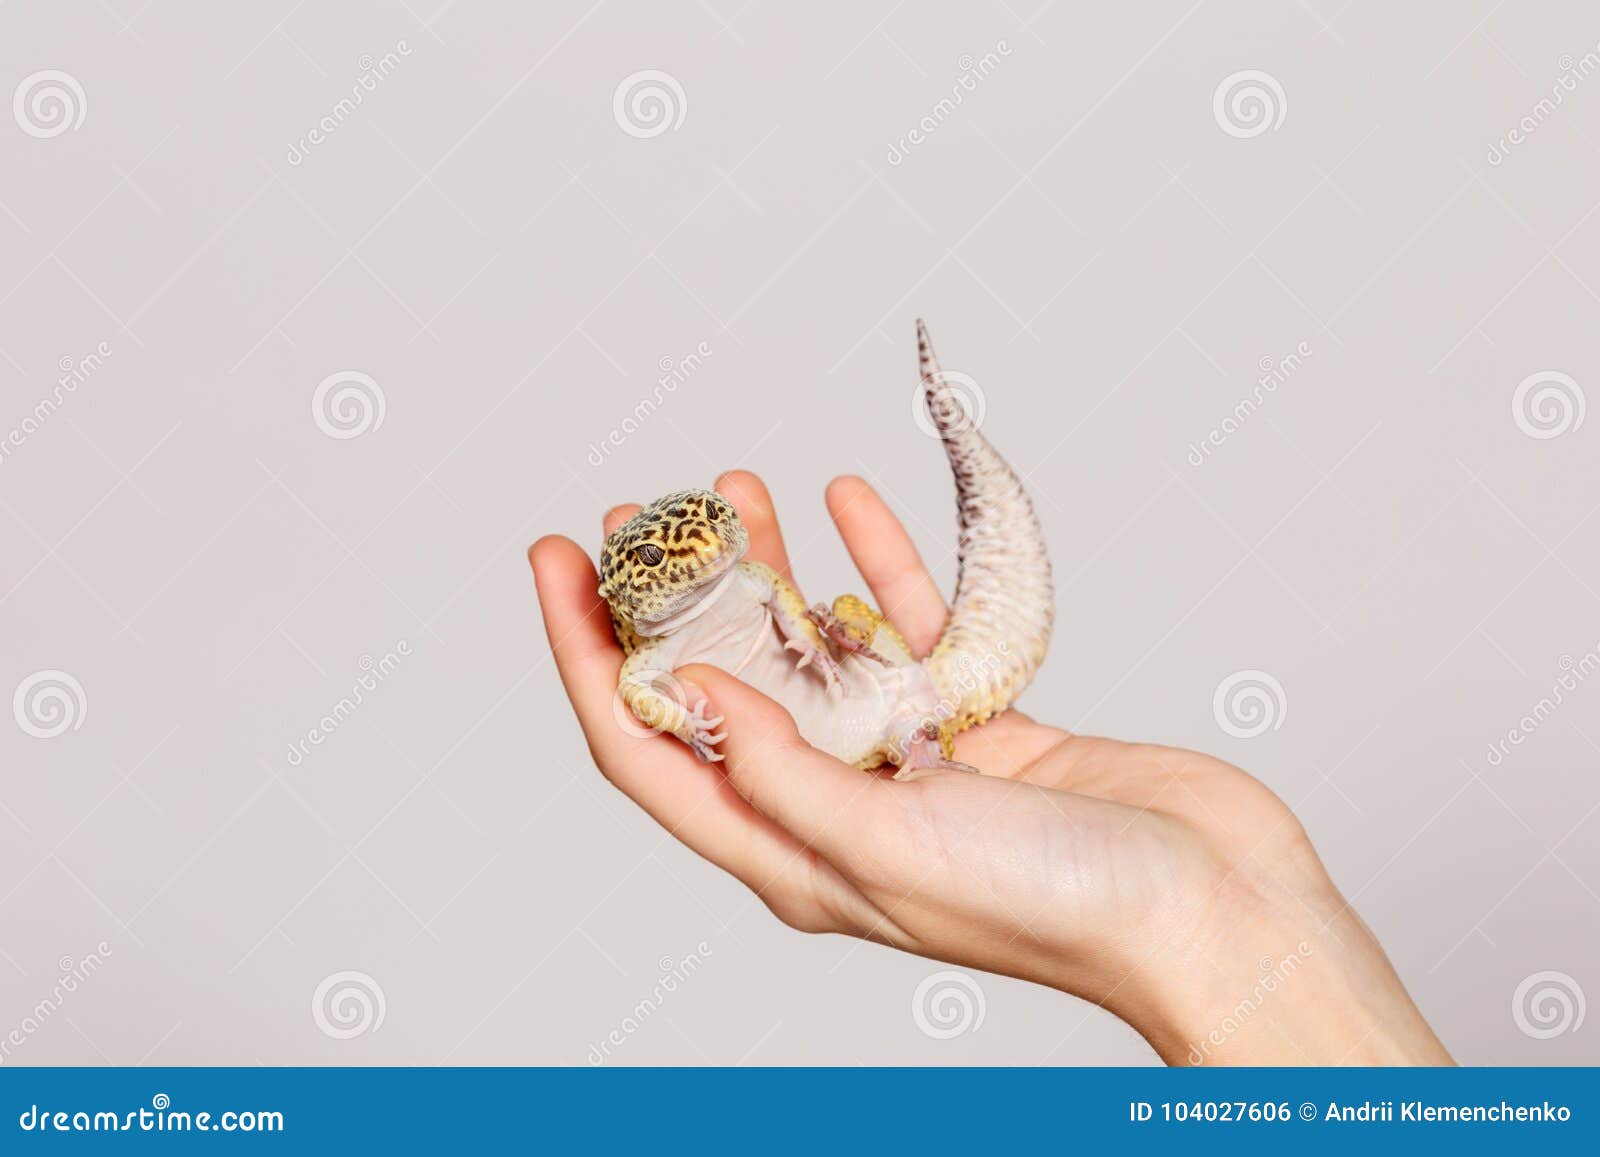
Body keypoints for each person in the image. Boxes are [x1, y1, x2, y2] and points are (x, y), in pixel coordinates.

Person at [528, 470, 1452, 1065]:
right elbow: (642, 688)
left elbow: (769, 591)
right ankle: (914, 728)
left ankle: (910, 718)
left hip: (886, 699)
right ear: (631, 592)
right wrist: (685, 719)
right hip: (877, 727)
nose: (715, 551)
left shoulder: (743, 575)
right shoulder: (649, 645)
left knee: (867, 639)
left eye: (718, 534)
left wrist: (818, 638)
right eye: (681, 554)